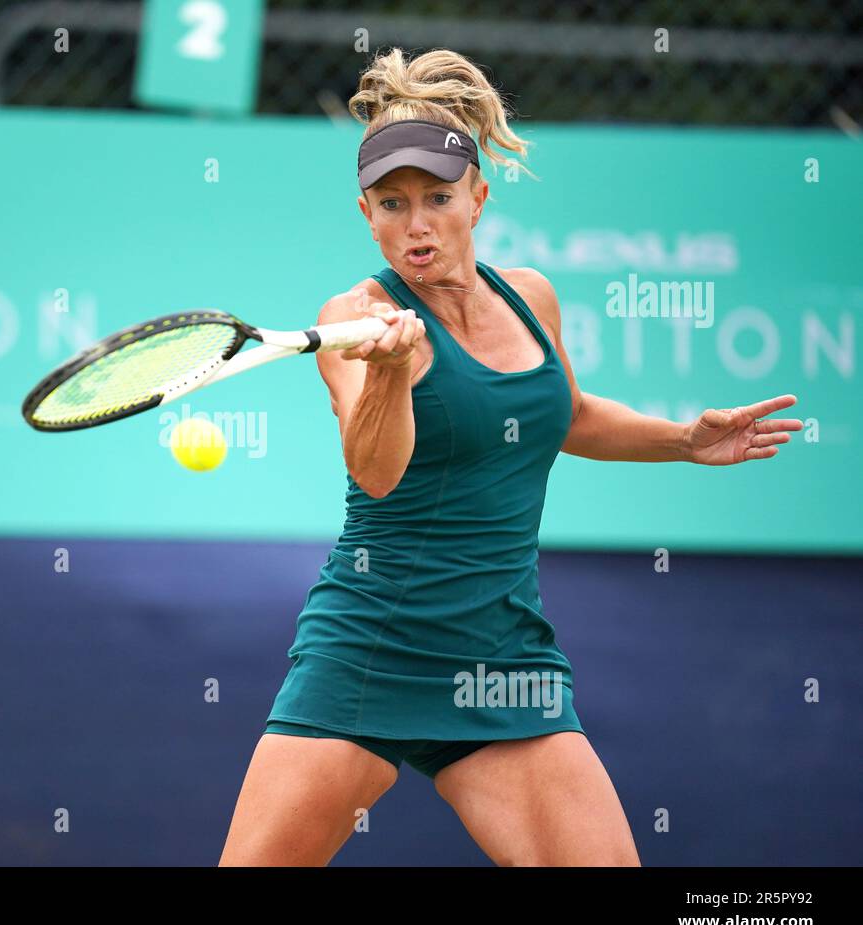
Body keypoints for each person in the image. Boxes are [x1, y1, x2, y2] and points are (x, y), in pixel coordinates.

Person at [218, 47, 802, 867]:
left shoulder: (530, 298)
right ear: (367, 215)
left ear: (478, 198)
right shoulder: (353, 319)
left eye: (437, 198)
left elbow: (560, 415)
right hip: (371, 646)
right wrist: (390, 375)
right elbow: (375, 472)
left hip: (504, 656)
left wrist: (682, 441)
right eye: (392, 204)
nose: (416, 223)